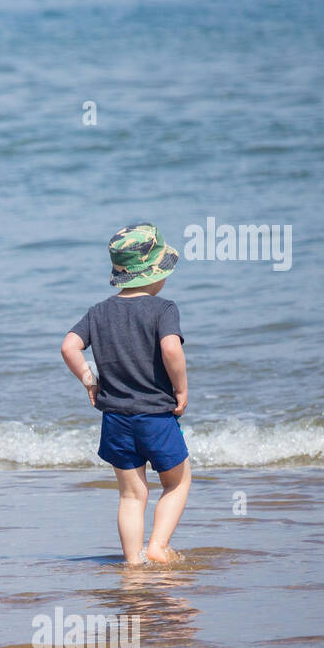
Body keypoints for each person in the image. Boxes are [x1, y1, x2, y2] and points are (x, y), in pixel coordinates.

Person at [60, 223, 190, 564]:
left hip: (116, 419)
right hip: (156, 416)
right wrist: (180, 389)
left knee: (132, 495)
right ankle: (159, 547)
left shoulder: (98, 312)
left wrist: (90, 380)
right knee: (177, 483)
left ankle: (133, 562)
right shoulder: (164, 309)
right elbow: (171, 350)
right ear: (154, 273)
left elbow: (69, 346)